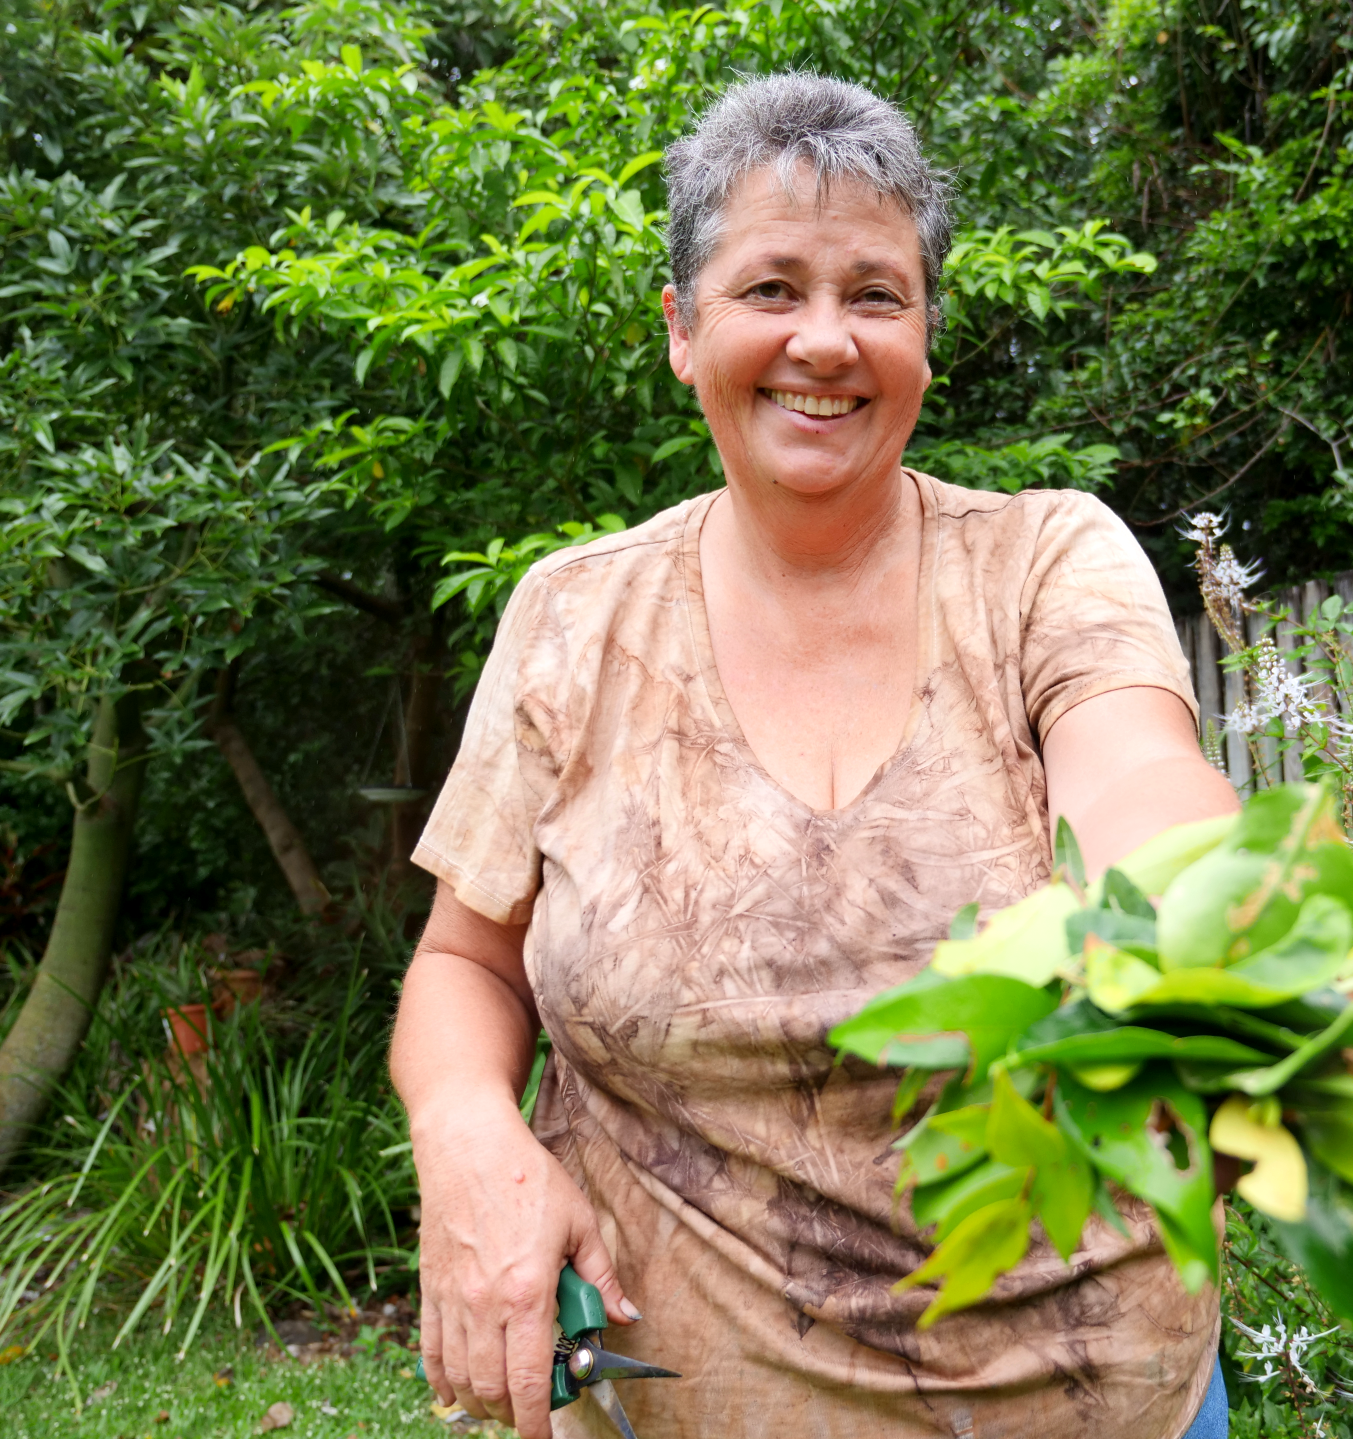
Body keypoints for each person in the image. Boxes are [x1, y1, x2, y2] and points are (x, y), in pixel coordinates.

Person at [391, 73, 1240, 1440]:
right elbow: (465, 962)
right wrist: (465, 1135)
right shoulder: (573, 617)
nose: (826, 343)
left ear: (928, 334)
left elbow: (1133, 780)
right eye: (771, 289)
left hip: (1087, 1401)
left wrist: (1214, 907)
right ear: (682, 331)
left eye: (877, 295)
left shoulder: (1042, 562)